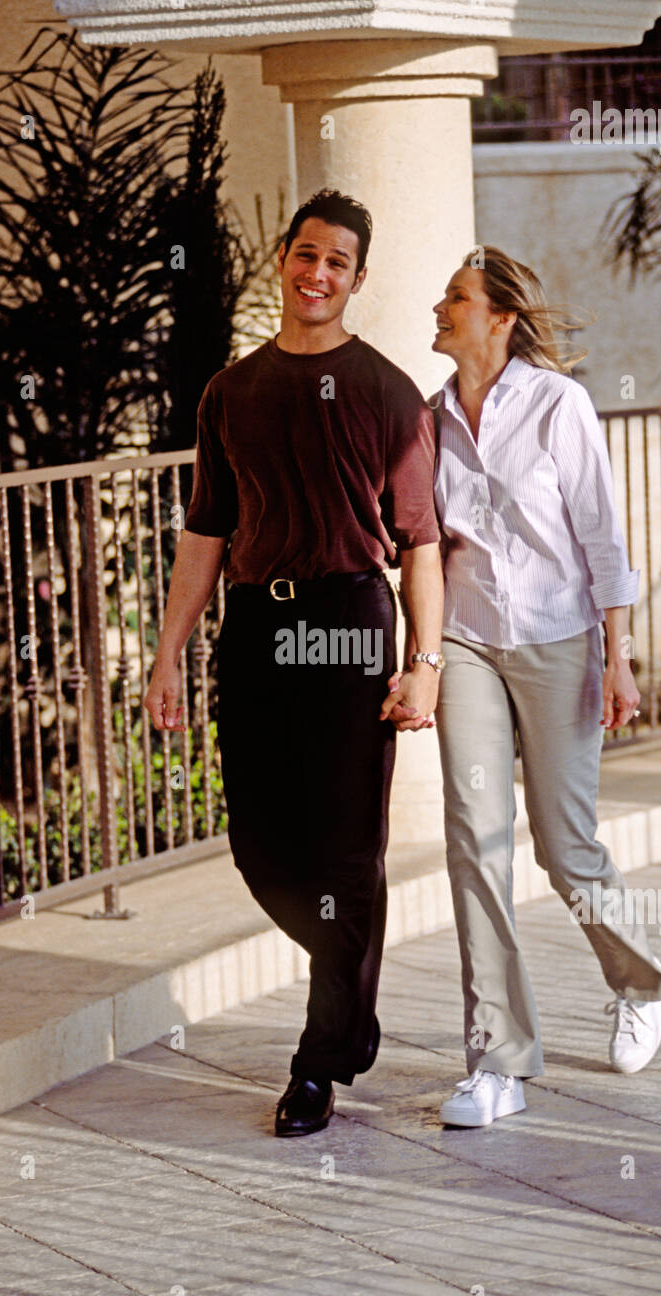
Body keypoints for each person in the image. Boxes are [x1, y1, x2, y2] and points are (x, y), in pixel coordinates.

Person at [144, 189, 444, 1137]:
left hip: (351, 621)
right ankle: (352, 1005)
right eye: (305, 255)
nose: (317, 274)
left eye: (338, 263)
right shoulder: (231, 391)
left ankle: (318, 1059)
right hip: (255, 627)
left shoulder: (388, 392)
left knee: (345, 847)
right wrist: (167, 654)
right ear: (284, 258)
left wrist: (424, 662)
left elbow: (420, 543)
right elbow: (205, 532)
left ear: (357, 280)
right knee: (261, 841)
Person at [417, 245, 661, 1128]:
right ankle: (496, 1061)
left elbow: (600, 533)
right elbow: (421, 542)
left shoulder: (556, 404)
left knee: (564, 848)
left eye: (455, 298)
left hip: (561, 640)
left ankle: (638, 981)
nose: (439, 307)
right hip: (470, 645)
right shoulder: (432, 417)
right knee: (473, 842)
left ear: (499, 317)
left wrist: (618, 653)